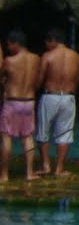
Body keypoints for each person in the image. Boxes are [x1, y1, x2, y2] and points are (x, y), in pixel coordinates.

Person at [35, 28, 79, 177]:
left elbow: (40, 79)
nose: (46, 46)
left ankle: (46, 166)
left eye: (47, 42)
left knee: (43, 131)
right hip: (69, 96)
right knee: (65, 133)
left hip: (50, 95)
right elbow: (78, 79)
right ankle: (59, 168)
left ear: (52, 41)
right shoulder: (76, 57)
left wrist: (35, 91)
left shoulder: (48, 56)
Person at [1, 29, 41, 183]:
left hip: (13, 100)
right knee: (27, 137)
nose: (8, 48)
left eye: (9, 44)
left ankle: (4, 175)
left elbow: (2, 77)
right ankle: (29, 173)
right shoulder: (36, 58)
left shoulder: (10, 61)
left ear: (16, 43)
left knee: (6, 137)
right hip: (29, 102)